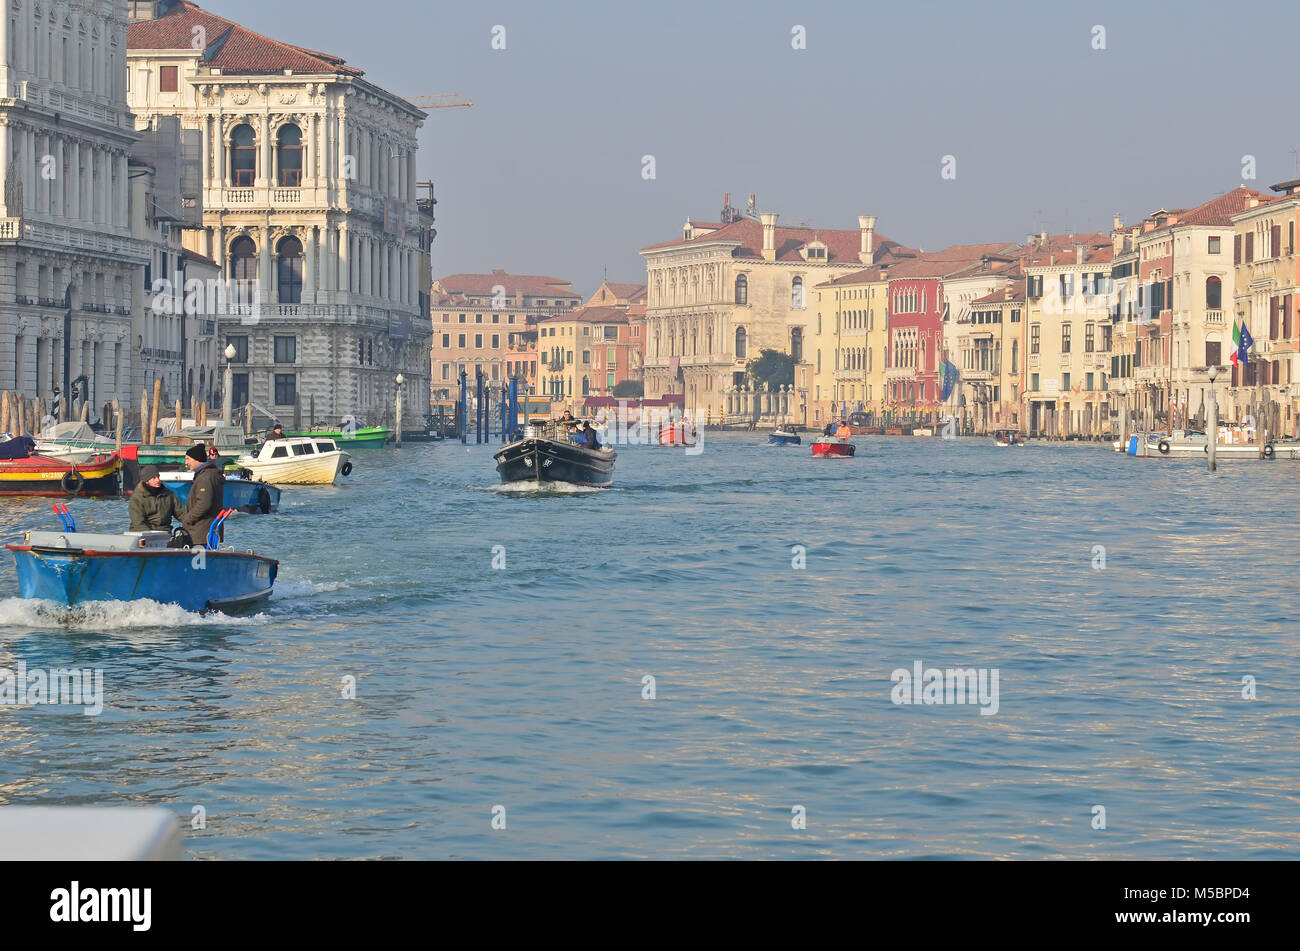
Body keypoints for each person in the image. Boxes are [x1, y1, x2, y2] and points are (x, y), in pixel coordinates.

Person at [179, 443, 226, 548]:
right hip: (205, 532)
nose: (186, 463)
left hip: (201, 533)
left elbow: (204, 504)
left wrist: (188, 519)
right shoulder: (206, 474)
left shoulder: (205, 477)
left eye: (188, 459)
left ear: (196, 459)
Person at [129, 465, 183, 532]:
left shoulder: (169, 494)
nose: (158, 480)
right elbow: (138, 524)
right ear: (146, 481)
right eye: (154, 478)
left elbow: (181, 514)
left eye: (158, 476)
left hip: (165, 531)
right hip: (143, 532)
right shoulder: (137, 498)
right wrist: (151, 536)